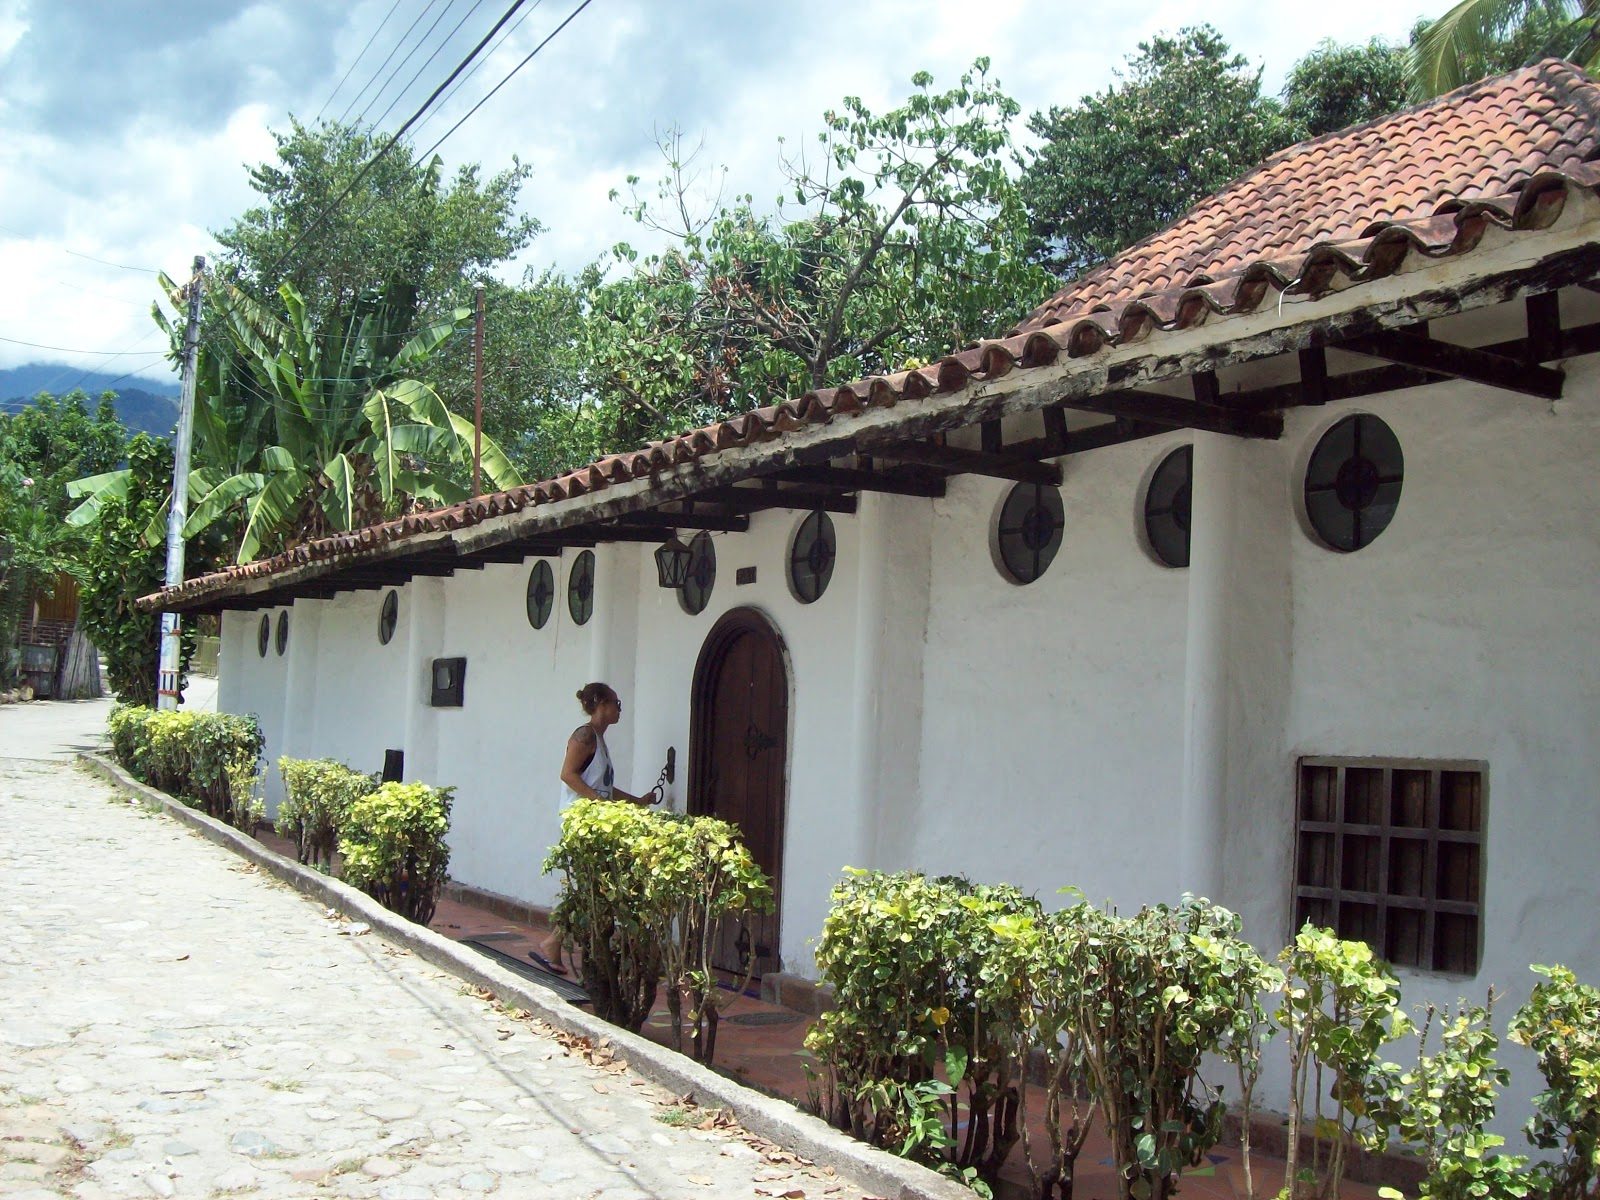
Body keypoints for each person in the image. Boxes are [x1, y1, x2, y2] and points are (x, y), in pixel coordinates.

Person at [536, 682, 656, 974]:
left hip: (594, 821)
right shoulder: (585, 735)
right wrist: (599, 806)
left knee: (594, 888)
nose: (619, 710)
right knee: (592, 888)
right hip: (580, 822)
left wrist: (635, 801)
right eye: (616, 703)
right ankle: (554, 942)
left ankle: (558, 942)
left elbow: (603, 787)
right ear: (601, 704)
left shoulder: (599, 741)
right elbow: (568, 774)